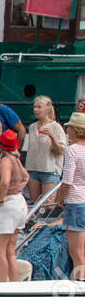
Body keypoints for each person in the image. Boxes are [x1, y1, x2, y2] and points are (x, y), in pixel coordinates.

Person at [0, 129, 31, 282]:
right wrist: (17, 188)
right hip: (18, 203)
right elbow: (26, 176)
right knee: (10, 251)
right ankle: (14, 283)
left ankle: (1, 285)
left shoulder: (6, 160)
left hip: (6, 207)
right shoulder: (16, 159)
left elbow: (5, 182)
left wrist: (0, 199)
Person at [24, 95, 67, 205]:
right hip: (33, 168)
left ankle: (44, 223)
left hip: (49, 170)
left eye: (39, 107)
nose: (35, 110)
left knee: (47, 205)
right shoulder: (32, 127)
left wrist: (52, 137)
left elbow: (61, 150)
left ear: (47, 109)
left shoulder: (56, 127)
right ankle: (34, 222)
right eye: (34, 107)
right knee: (34, 203)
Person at [60, 112, 85, 279]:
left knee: (76, 252)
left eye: (69, 127)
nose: (67, 129)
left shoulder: (72, 150)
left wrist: (60, 199)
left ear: (75, 130)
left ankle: (80, 283)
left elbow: (67, 181)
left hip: (76, 202)